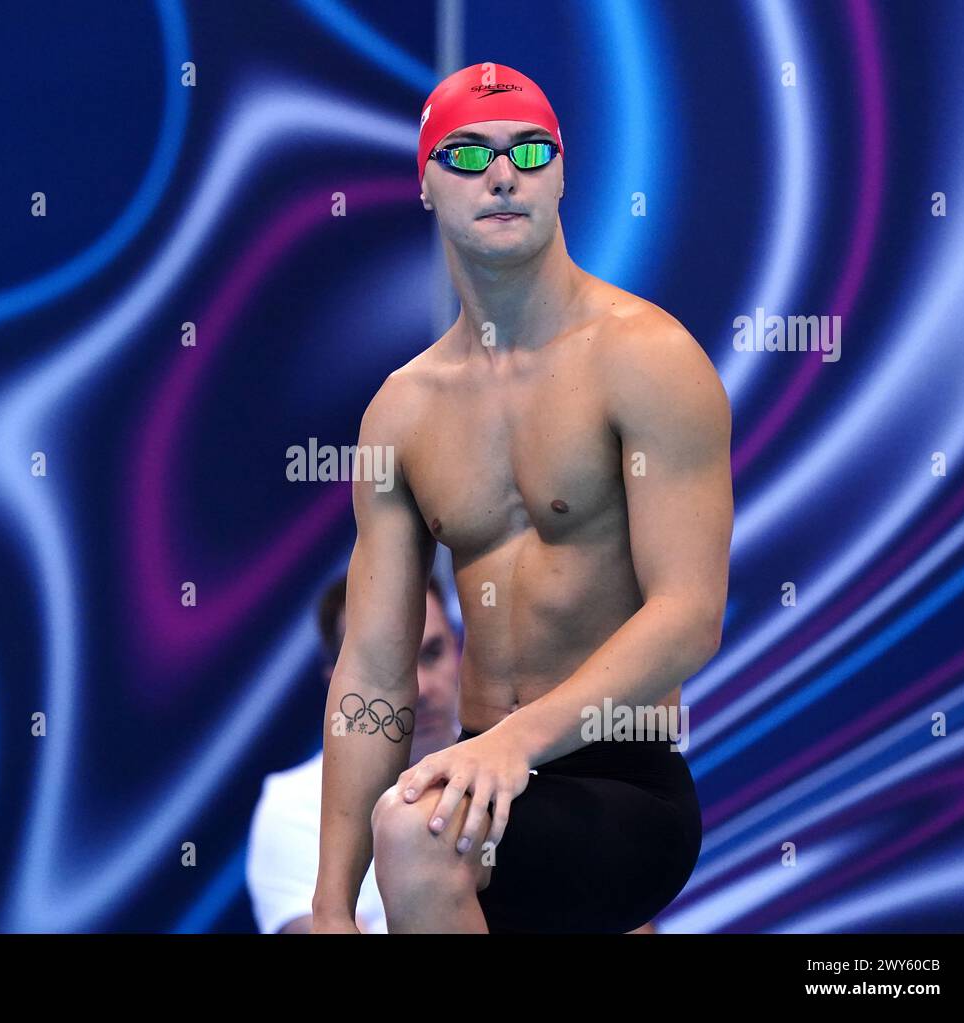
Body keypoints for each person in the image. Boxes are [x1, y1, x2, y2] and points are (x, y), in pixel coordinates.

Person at [312, 62, 732, 934]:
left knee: (421, 827)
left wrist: (516, 740)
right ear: (424, 184)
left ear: (563, 175)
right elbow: (376, 672)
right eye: (466, 155)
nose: (502, 174)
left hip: (623, 783)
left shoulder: (645, 358)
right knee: (427, 826)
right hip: (485, 783)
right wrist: (330, 902)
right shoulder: (403, 410)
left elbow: (690, 613)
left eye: (529, 151)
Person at [245, 574, 462, 934]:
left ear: (458, 649)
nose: (419, 689)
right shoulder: (293, 805)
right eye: (389, 669)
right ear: (339, 684)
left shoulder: (515, 773)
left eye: (432, 654)